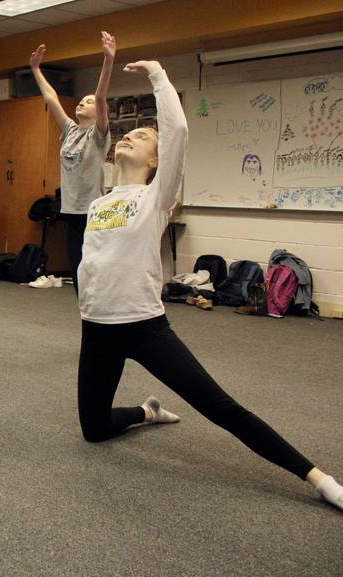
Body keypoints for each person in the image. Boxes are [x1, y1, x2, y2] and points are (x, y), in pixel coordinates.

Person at [76, 59, 342, 511]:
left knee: (220, 407)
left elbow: (176, 132)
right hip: (95, 327)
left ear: (156, 161)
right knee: (94, 429)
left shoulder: (155, 197)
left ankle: (318, 477)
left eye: (141, 137)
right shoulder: (99, 201)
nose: (129, 136)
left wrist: (160, 76)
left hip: (143, 326)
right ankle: (148, 412)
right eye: (128, 133)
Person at [29, 31, 115, 293]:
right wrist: (35, 69)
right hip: (71, 211)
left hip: (92, 212)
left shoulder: (99, 135)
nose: (83, 103)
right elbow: (51, 99)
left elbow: (101, 97)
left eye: (88, 102)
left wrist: (108, 60)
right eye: (81, 100)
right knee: (78, 272)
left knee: (93, 270)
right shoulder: (70, 130)